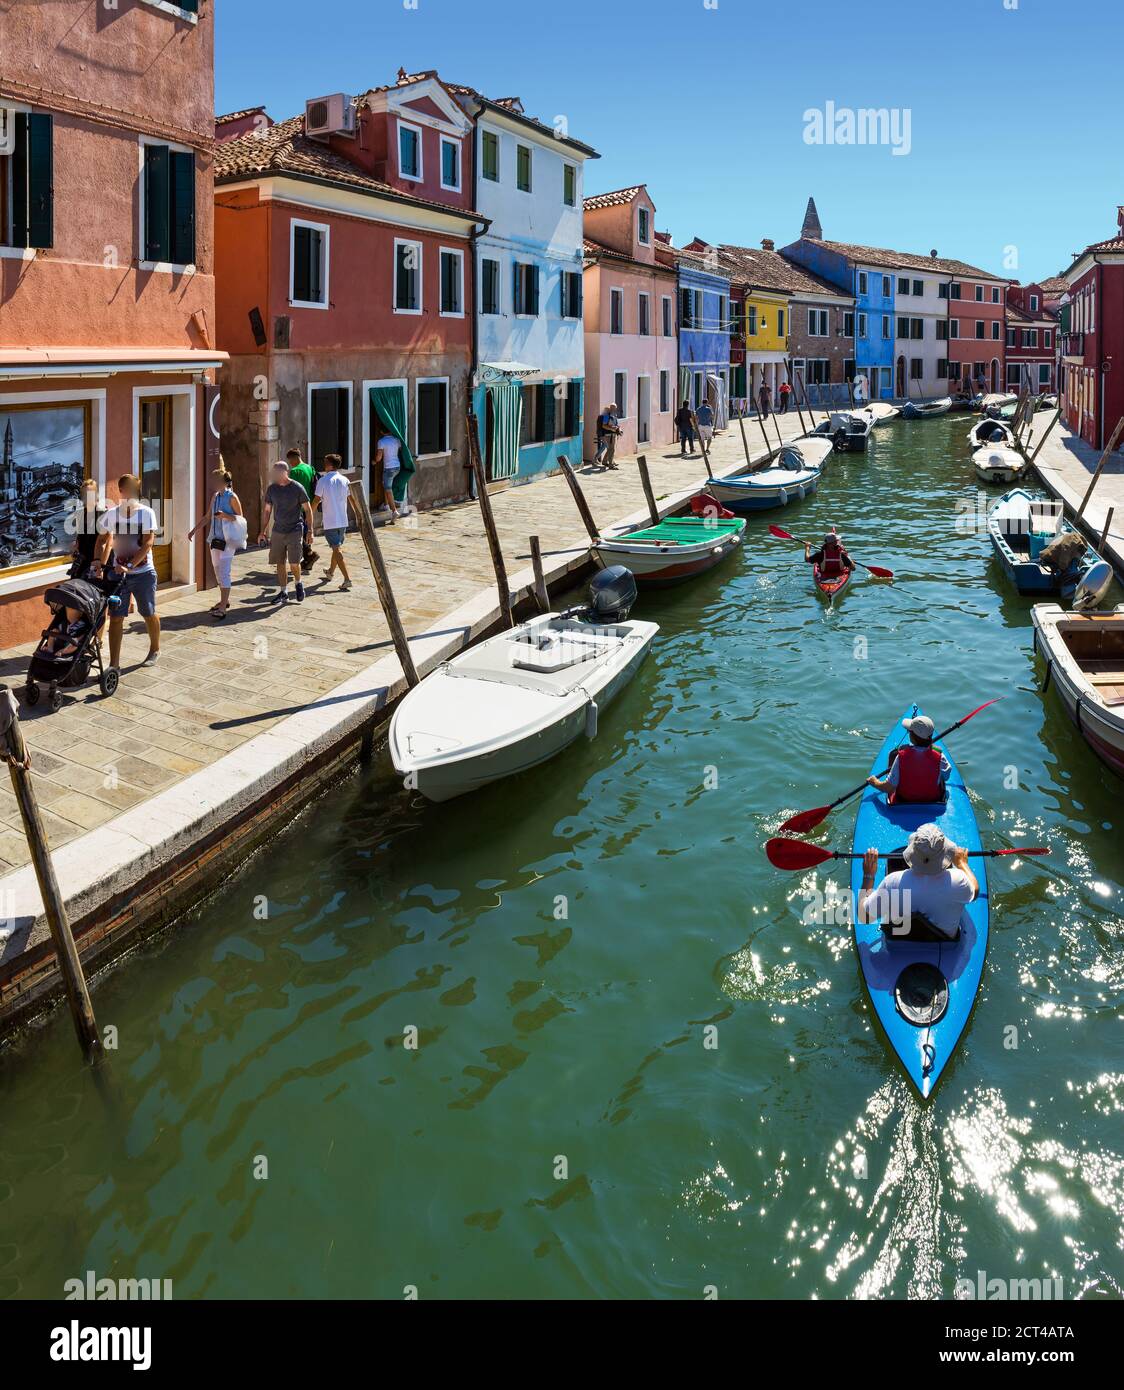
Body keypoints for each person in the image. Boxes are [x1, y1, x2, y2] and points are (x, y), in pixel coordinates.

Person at [857, 823, 978, 940]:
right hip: (942, 942)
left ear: (913, 851)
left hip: (900, 942)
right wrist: (962, 864)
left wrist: (869, 874)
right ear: (945, 852)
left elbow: (864, 917)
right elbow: (975, 892)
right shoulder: (959, 880)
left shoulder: (891, 882)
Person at [95, 474, 161, 667]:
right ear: (121, 491)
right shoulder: (113, 514)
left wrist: (130, 565)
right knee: (115, 618)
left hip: (143, 574)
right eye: (129, 490)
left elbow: (148, 543)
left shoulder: (147, 513)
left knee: (148, 613)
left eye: (136, 490)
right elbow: (101, 540)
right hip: (118, 575)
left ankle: (155, 649)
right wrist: (97, 561)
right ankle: (114, 665)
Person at [188, 465, 244, 620]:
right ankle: (223, 601)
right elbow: (207, 517)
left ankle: (223, 609)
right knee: (218, 570)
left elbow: (240, 519)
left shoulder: (232, 497)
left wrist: (225, 515)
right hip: (214, 539)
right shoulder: (215, 496)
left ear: (224, 482)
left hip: (228, 541)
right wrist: (193, 530)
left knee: (224, 571)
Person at [258, 460, 313, 605]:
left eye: (276, 472)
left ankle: (298, 583)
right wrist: (262, 531)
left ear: (284, 472)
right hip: (278, 530)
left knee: (294, 563)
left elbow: (307, 510)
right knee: (279, 562)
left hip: (295, 529)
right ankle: (283, 592)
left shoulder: (297, 488)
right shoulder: (272, 489)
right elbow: (267, 511)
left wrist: (310, 531)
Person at [866, 713, 951, 804]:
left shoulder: (901, 757)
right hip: (931, 801)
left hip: (905, 801)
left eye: (909, 732)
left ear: (913, 737)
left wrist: (874, 782)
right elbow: (946, 776)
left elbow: (889, 788)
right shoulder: (940, 757)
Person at [313, 452, 353, 592]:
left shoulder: (323, 481)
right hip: (342, 520)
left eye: (325, 462)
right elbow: (351, 498)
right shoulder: (345, 480)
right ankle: (330, 572)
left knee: (336, 549)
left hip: (330, 521)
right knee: (336, 547)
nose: (323, 464)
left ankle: (347, 579)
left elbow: (316, 500)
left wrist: (308, 514)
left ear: (329, 465)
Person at [286, 449, 320, 574]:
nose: (290, 464)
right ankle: (307, 562)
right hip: (309, 506)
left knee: (296, 534)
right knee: (306, 532)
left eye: (290, 461)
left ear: (293, 459)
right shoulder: (310, 468)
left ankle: (310, 555)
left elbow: (291, 489)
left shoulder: (295, 471)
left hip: (297, 507)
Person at [69, 478, 106, 579]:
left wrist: (101, 566)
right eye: (84, 494)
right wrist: (75, 547)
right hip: (82, 561)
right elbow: (80, 537)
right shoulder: (80, 514)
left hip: (96, 561)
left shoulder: (103, 514)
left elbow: (107, 544)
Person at [375, 431, 405, 521]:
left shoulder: (381, 441)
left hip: (389, 468)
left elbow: (379, 457)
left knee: (388, 489)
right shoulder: (397, 440)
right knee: (386, 485)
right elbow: (400, 450)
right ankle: (386, 505)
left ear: (381, 431)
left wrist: (374, 461)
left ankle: (394, 511)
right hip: (397, 466)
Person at [595, 403, 621, 469]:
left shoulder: (615, 416)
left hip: (614, 435)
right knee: (611, 449)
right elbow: (604, 425)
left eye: (614, 408)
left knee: (610, 449)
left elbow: (617, 424)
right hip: (608, 435)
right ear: (610, 408)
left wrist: (618, 429)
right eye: (612, 408)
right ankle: (611, 464)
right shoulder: (607, 416)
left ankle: (604, 461)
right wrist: (611, 428)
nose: (613, 409)